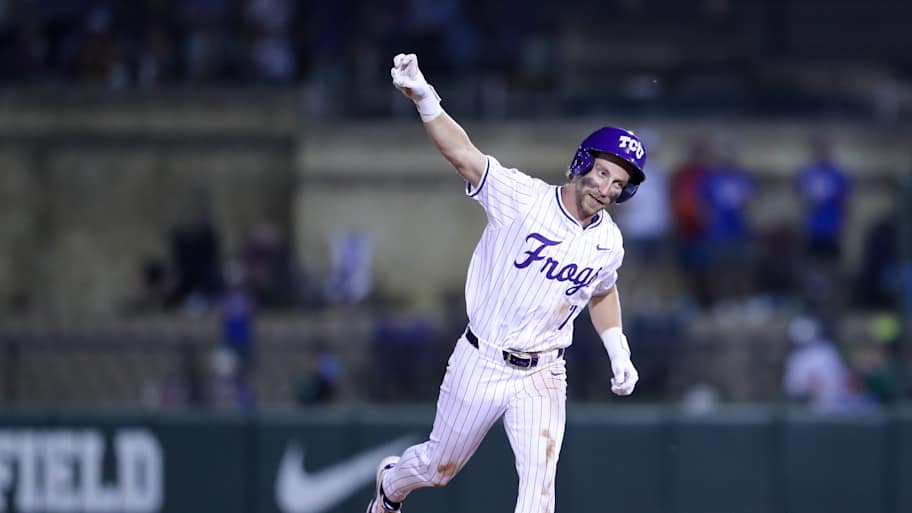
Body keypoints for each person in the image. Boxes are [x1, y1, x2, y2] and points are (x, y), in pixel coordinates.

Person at [365, 53, 643, 513]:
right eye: (604, 172)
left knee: (539, 495)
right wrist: (425, 97)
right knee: (438, 469)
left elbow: (603, 290)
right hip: (484, 358)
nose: (608, 187)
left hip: (544, 371)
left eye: (619, 183)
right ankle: (392, 484)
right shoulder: (523, 199)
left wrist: (619, 350)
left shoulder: (608, 241)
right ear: (583, 163)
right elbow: (464, 156)